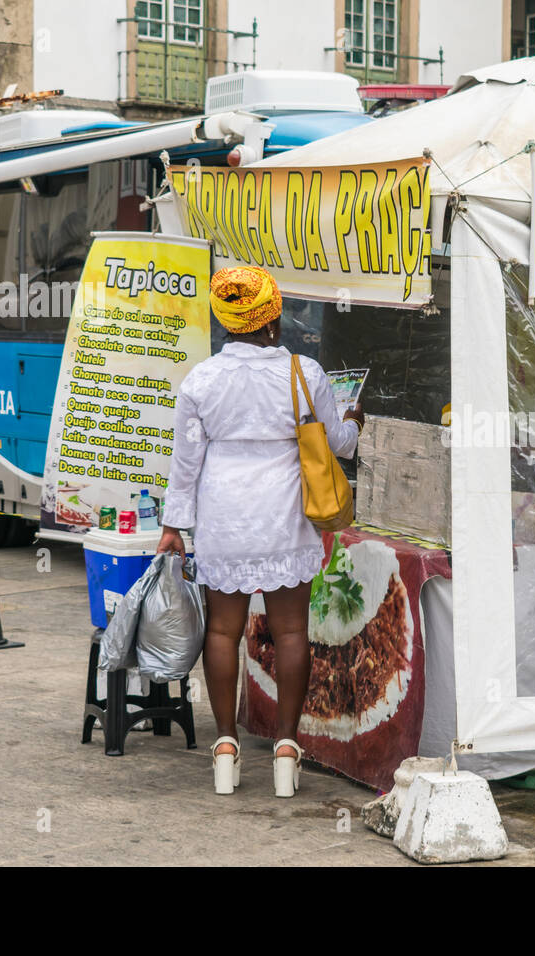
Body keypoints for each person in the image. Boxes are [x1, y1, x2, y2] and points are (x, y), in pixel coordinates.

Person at [157, 266, 364, 798]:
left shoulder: (201, 380)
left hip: (225, 518)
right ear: (273, 318)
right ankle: (287, 750)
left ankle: (225, 746)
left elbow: (185, 463)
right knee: (291, 632)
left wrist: (174, 526)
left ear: (226, 322)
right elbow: (338, 443)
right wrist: (354, 420)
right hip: (285, 517)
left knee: (223, 632)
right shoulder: (304, 371)